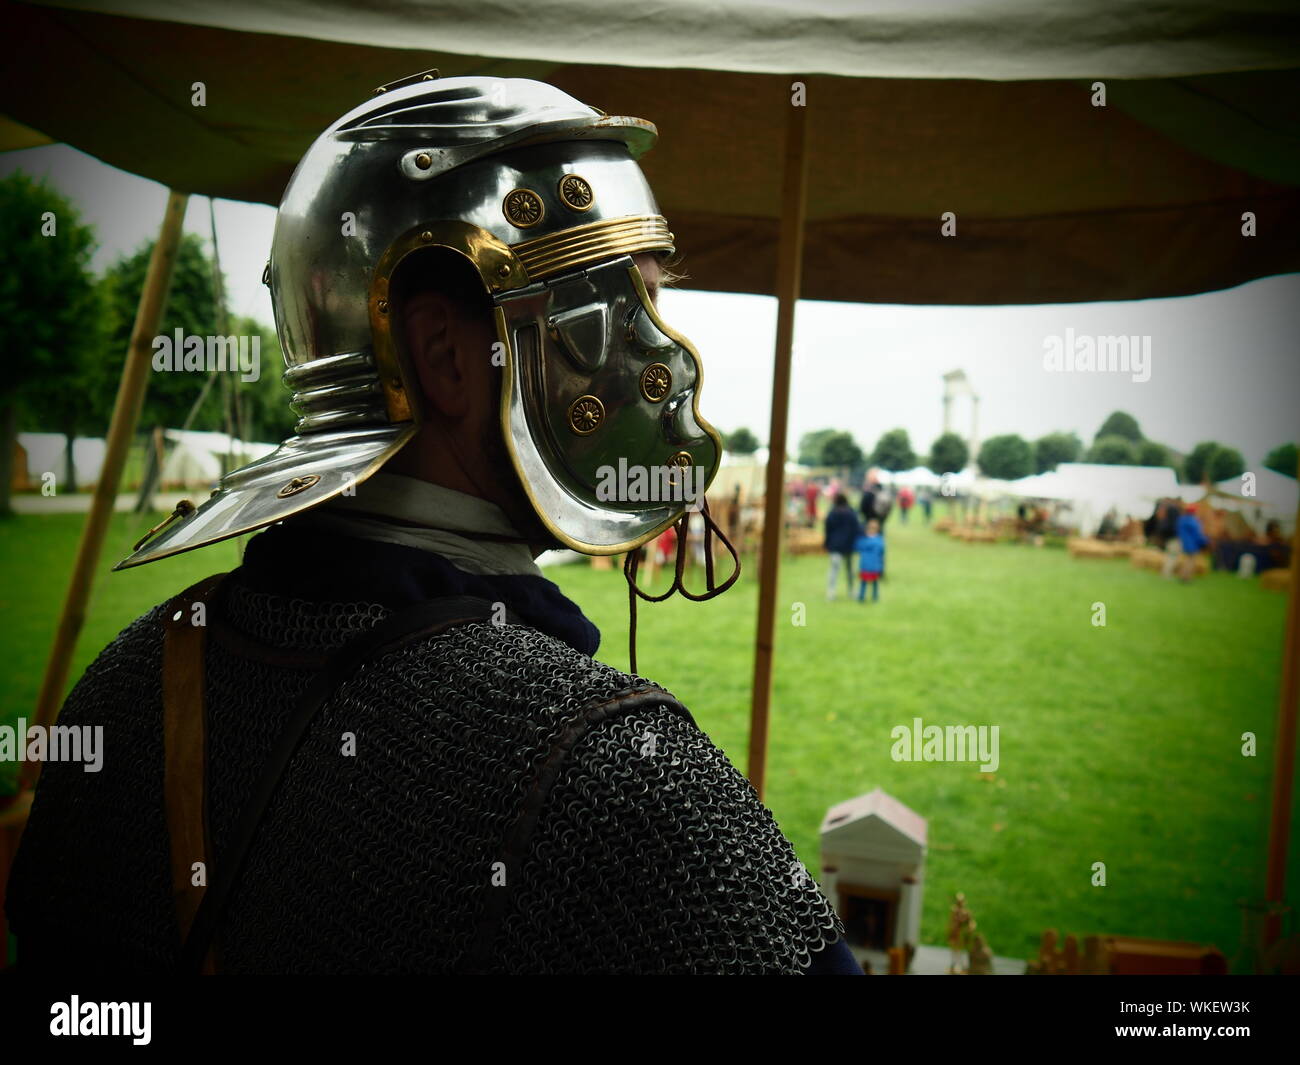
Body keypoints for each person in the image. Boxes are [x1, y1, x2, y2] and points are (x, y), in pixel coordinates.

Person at [7, 75, 858, 976]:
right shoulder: (617, 780)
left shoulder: (122, 690)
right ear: (448, 356)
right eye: (623, 310)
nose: (669, 355)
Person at [823, 493, 862, 600]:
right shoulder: (851, 513)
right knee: (850, 570)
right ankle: (852, 591)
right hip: (849, 545)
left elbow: (827, 530)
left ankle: (831, 593)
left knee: (834, 570)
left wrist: (827, 543)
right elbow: (857, 529)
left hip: (835, 545)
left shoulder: (832, 513)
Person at [1172, 502, 1209, 582]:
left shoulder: (1181, 519)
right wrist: (1205, 541)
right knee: (1191, 561)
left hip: (1183, 542)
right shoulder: (1193, 521)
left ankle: (1182, 575)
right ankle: (1186, 577)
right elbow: (1197, 534)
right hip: (1192, 544)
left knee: (1186, 560)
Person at [855, 519, 886, 603]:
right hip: (873, 565)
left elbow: (857, 547)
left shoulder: (864, 540)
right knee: (872, 583)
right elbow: (882, 552)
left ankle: (864, 597)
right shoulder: (879, 540)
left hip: (866, 565)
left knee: (865, 582)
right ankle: (872, 597)